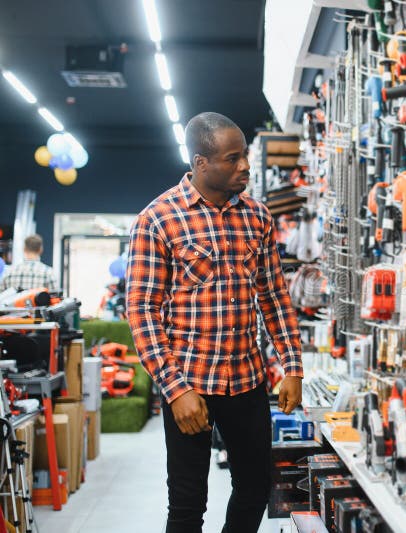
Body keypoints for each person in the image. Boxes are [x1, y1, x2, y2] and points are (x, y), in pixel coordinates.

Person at [126, 112, 303, 533]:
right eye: (233, 157)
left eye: (244, 155)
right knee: (188, 507)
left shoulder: (257, 217)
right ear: (201, 163)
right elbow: (142, 312)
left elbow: (274, 296)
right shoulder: (158, 219)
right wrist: (174, 390)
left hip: (246, 379)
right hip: (189, 383)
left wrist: (292, 366)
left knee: (256, 489)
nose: (245, 165)